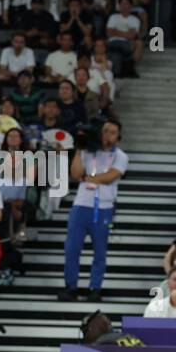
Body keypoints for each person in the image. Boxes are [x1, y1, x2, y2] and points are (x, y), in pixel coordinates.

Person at [59, 120, 127, 301]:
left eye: (112, 132)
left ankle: (95, 288)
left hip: (104, 207)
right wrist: (80, 148)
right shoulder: (88, 151)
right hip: (81, 205)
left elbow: (109, 177)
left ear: (118, 137)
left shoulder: (120, 156)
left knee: (100, 251)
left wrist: (87, 178)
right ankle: (71, 286)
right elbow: (75, 173)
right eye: (105, 131)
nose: (108, 135)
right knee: (72, 249)